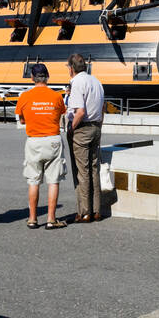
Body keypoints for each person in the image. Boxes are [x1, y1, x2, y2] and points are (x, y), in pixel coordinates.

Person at [15, 63, 67, 229]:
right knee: (53, 181)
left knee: (33, 180)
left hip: (34, 141)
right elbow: (60, 115)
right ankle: (51, 219)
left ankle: (32, 218)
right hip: (52, 140)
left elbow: (22, 119)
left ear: (32, 78)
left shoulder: (24, 96)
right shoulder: (57, 96)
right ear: (47, 77)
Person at [65, 52, 106, 222]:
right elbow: (103, 108)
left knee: (82, 171)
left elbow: (79, 112)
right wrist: (99, 127)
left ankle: (85, 211)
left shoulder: (77, 83)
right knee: (94, 169)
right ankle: (96, 210)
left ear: (72, 68)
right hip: (96, 127)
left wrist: (71, 129)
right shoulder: (96, 81)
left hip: (82, 129)